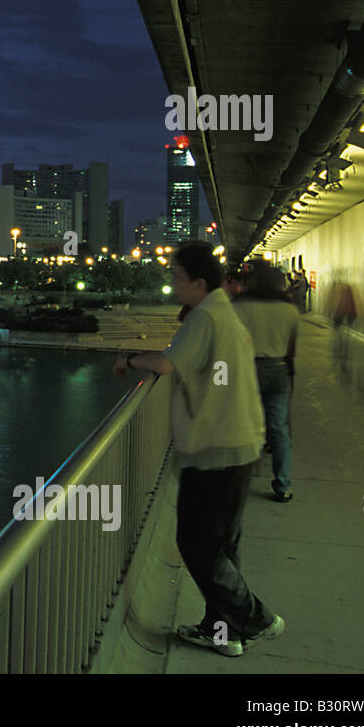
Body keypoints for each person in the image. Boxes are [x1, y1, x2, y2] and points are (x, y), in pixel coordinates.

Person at [113, 242, 283, 656]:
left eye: (176, 277)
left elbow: (168, 364)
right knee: (223, 545)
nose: (172, 285)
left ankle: (257, 617)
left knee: (196, 543)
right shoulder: (225, 311)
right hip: (240, 442)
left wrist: (130, 359)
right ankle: (225, 632)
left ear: (198, 282)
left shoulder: (205, 317)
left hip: (215, 448)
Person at [232, 261, 299, 502]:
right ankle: (283, 485)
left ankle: (239, 481)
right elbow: (292, 346)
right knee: (278, 429)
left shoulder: (240, 305)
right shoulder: (290, 309)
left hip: (248, 369)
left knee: (245, 425)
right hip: (279, 369)